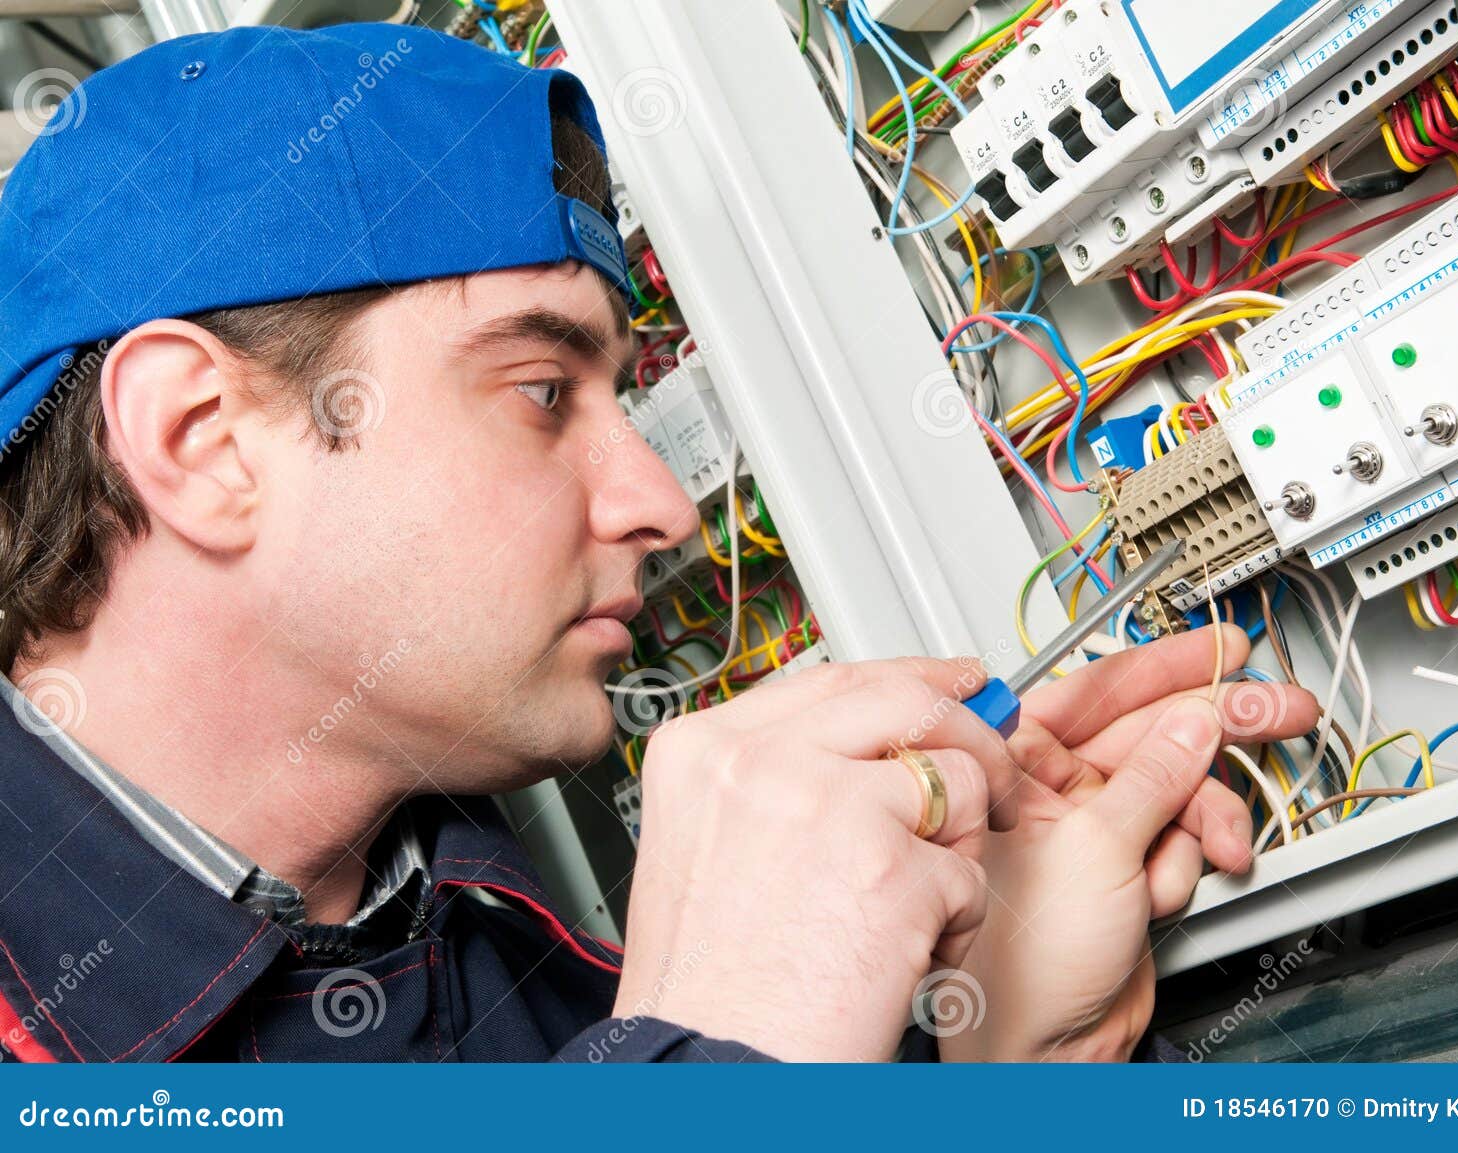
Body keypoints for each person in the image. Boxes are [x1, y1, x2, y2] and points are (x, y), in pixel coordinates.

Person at [0, 23, 1314, 1063]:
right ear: (200, 439)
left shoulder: (495, 944)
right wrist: (700, 1053)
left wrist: (993, 1041)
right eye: (541, 392)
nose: (662, 504)